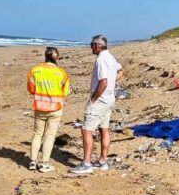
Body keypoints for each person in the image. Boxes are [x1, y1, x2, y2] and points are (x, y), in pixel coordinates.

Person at [70, 35, 122, 174]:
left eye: (91, 44)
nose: (90, 46)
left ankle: (86, 163)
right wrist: (112, 82)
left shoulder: (101, 59)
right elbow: (120, 71)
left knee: (86, 130)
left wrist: (93, 98)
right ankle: (102, 161)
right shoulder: (110, 57)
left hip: (100, 100)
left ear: (98, 45)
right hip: (109, 99)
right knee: (104, 130)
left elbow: (103, 82)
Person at [27, 47, 70, 172]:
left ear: (45, 56)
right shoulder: (61, 73)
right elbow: (65, 91)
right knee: (50, 135)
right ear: (57, 57)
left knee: (37, 134)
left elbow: (31, 89)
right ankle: (44, 163)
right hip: (55, 108)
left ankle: (32, 162)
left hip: (40, 106)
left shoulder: (35, 70)